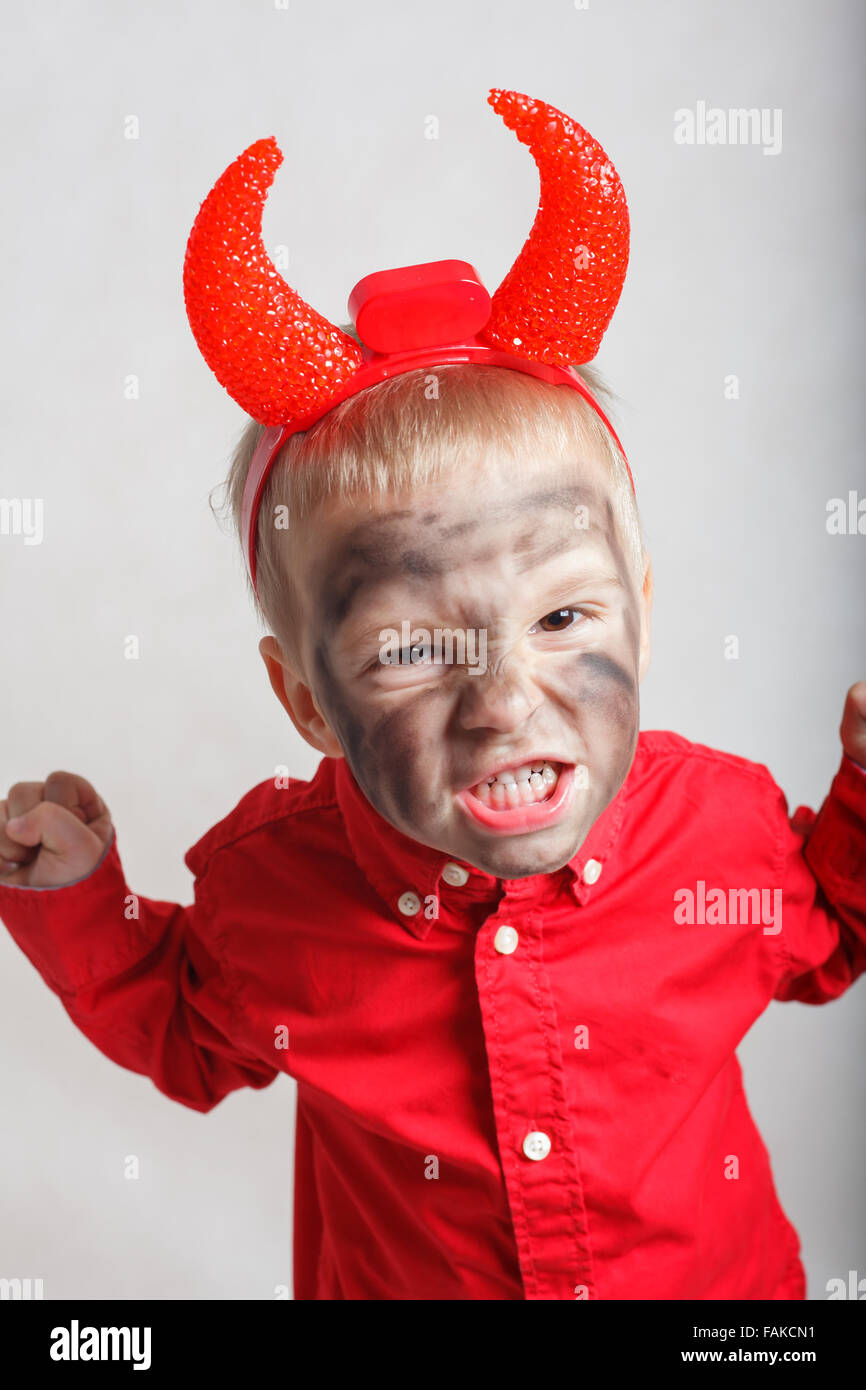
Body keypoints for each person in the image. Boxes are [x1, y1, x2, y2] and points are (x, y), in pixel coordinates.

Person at [1, 88, 864, 1301]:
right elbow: (188, 1034)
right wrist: (75, 898)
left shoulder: (713, 833)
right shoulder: (274, 896)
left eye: (562, 619)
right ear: (304, 699)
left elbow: (828, 931)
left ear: (643, 610)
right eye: (408, 651)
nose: (505, 702)